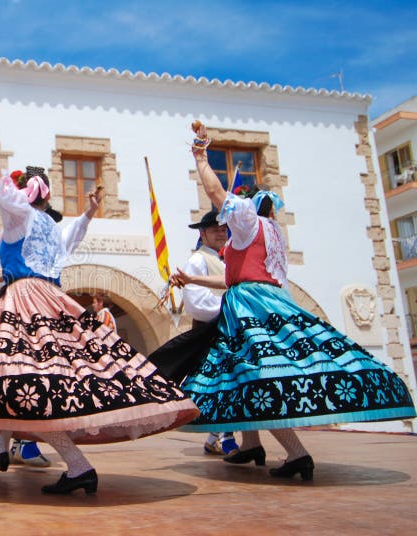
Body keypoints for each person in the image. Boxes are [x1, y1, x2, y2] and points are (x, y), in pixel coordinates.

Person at [0, 83, 199, 495]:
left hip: (26, 305)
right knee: (24, 376)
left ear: (25, 194)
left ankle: (77, 464)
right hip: (50, 299)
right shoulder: (49, 226)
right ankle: (1, 448)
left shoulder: (22, 218)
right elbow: (13, 269)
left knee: (24, 381)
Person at [177, 124, 416, 481]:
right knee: (244, 372)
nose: (228, 217)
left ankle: (297, 453)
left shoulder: (246, 222)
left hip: (250, 306)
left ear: (249, 206)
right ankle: (250, 445)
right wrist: (194, 279)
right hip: (271, 300)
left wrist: (200, 157)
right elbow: (234, 276)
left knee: (259, 375)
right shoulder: (273, 233)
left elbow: (216, 193)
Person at [179, 210, 239, 456]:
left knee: (227, 383)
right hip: (212, 330)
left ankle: (216, 436)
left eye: (223, 229)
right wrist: (229, 308)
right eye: (214, 230)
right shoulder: (198, 261)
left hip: (228, 329)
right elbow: (195, 302)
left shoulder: (228, 259)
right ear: (202, 234)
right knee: (221, 382)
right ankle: (226, 438)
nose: (220, 233)